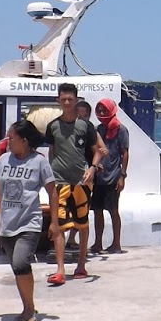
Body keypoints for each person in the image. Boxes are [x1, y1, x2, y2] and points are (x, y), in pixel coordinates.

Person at [0, 119, 56, 321]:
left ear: (24, 141)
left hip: (29, 223)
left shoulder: (39, 162)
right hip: (7, 224)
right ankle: (27, 305)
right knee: (18, 269)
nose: (7, 141)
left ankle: (29, 309)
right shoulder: (4, 160)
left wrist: (54, 222)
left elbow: (53, 192)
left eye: (11, 137)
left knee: (20, 263)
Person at [43, 83, 106, 285]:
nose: (67, 102)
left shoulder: (85, 126)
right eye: (63, 99)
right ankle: (60, 269)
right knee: (59, 225)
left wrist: (92, 168)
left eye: (70, 99)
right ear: (58, 101)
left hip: (81, 181)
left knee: (82, 224)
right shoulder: (52, 126)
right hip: (59, 181)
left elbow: (98, 151)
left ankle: (81, 265)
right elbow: (52, 152)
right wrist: (49, 176)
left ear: (76, 100)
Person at [90, 98, 130, 254]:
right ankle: (98, 243)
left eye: (104, 110)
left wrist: (122, 176)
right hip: (99, 177)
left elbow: (125, 153)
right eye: (99, 110)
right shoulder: (97, 130)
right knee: (97, 210)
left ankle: (116, 243)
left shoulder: (121, 130)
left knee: (113, 210)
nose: (101, 113)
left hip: (113, 176)